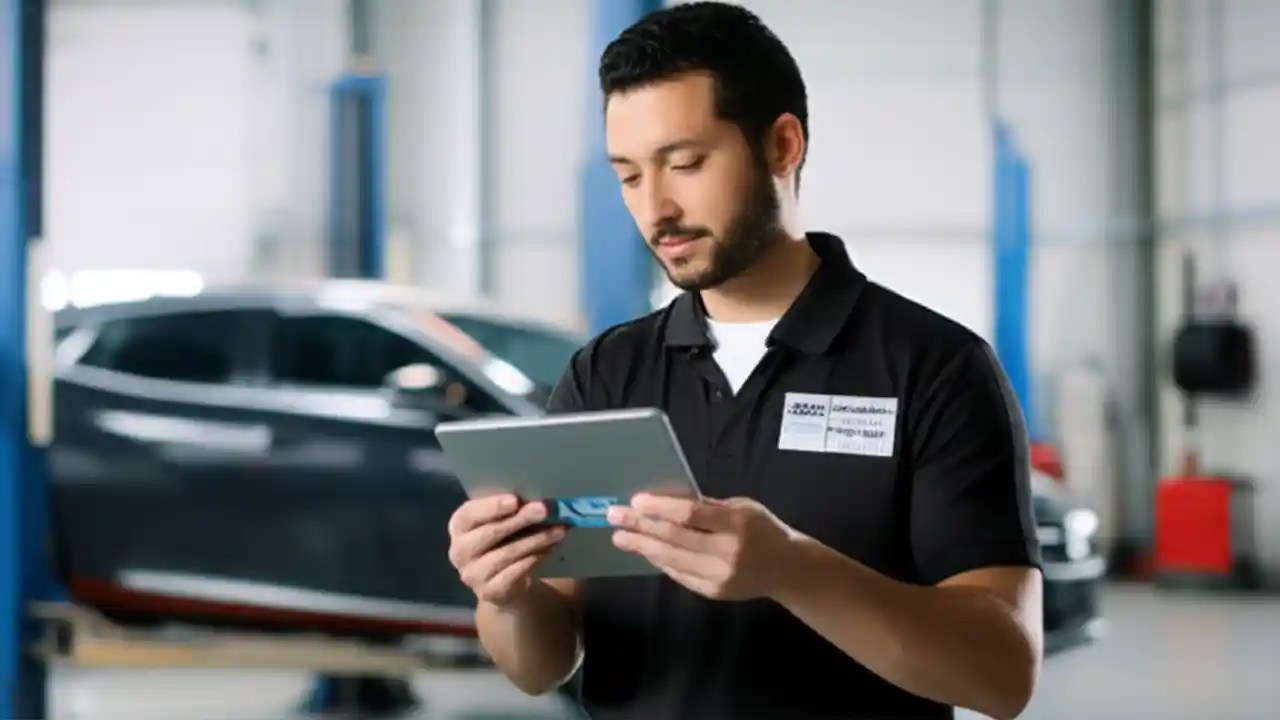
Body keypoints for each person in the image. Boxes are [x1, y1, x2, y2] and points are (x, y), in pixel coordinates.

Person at [445, 3, 1044, 718]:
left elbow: (1003, 675)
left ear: (783, 146)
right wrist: (505, 595)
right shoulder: (606, 374)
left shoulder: (933, 368)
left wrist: (790, 568)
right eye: (630, 176)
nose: (655, 209)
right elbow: (545, 663)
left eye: (686, 163)